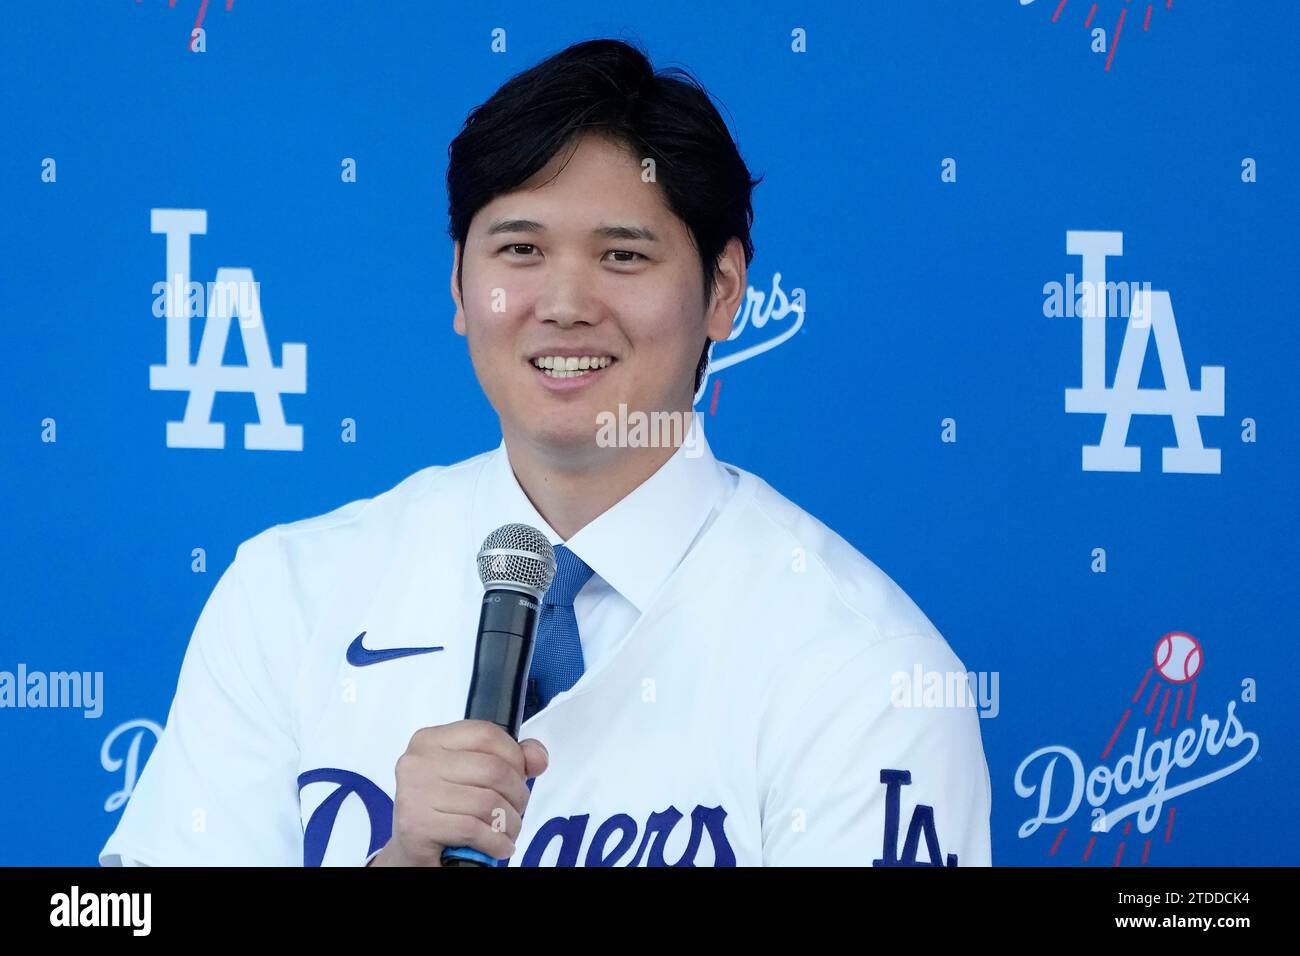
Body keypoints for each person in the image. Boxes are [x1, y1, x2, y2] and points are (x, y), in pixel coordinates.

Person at [99, 37, 991, 867]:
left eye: (624, 256)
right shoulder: (287, 594)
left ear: (723, 292)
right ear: (458, 283)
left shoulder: (867, 668)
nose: (565, 303)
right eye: (520, 249)